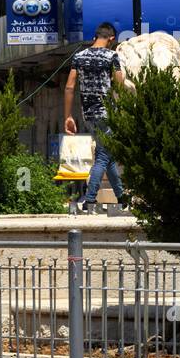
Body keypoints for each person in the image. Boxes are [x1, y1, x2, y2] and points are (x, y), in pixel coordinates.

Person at [64, 22, 132, 214]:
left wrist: (68, 116)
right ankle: (90, 200)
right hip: (107, 113)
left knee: (107, 156)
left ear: (96, 36)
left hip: (88, 114)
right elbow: (120, 85)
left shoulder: (79, 56)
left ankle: (122, 198)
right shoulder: (112, 56)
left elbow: (69, 86)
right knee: (103, 156)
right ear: (111, 39)